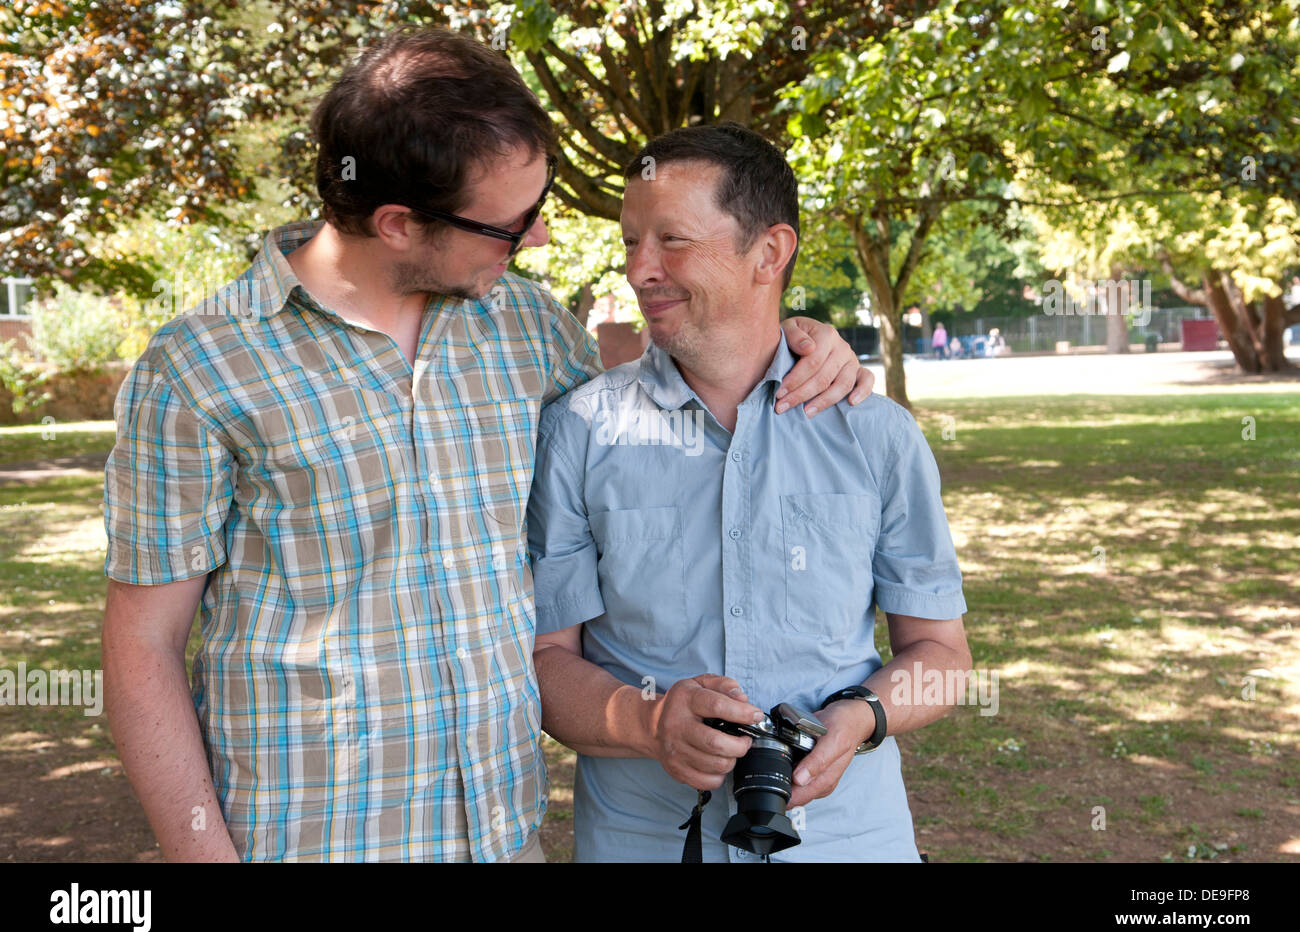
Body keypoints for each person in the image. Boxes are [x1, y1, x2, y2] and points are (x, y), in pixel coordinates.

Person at [99, 28, 873, 863]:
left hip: (503, 839)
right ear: (398, 223)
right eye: (514, 224)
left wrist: (798, 335)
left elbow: (688, 379)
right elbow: (141, 648)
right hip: (305, 841)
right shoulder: (201, 368)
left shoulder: (527, 327)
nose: (537, 240)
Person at [527, 123, 972, 862]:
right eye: (631, 240)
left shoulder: (878, 434)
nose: (641, 270)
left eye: (672, 240)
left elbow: (941, 653)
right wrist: (649, 722)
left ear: (770, 252)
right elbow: (544, 659)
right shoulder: (577, 432)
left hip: (848, 842)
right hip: (647, 843)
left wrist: (861, 717)